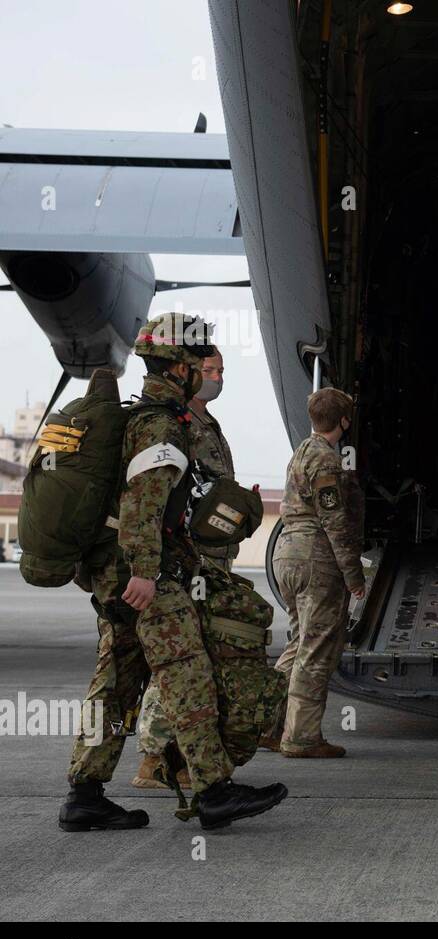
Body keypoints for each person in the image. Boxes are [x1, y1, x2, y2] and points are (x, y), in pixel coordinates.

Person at [60, 313, 287, 831]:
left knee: (115, 688)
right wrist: (144, 571)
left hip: (116, 578)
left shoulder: (139, 417)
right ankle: (214, 790)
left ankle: (85, 793)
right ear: (181, 368)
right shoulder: (161, 424)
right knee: (188, 674)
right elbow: (145, 501)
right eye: (197, 362)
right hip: (148, 581)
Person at [132, 346, 234, 789]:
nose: (214, 377)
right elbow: (168, 496)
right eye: (208, 370)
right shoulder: (175, 424)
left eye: (219, 370)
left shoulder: (200, 422)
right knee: (178, 658)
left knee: (196, 656)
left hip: (209, 553)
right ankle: (154, 758)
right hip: (189, 556)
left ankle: (178, 760)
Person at [271, 388, 366, 758]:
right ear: (343, 420)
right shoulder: (326, 460)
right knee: (316, 649)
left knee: (297, 645)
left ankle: (269, 724)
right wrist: (353, 575)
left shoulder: (301, 452)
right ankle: (302, 737)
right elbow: (334, 520)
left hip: (288, 555)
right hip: (315, 559)